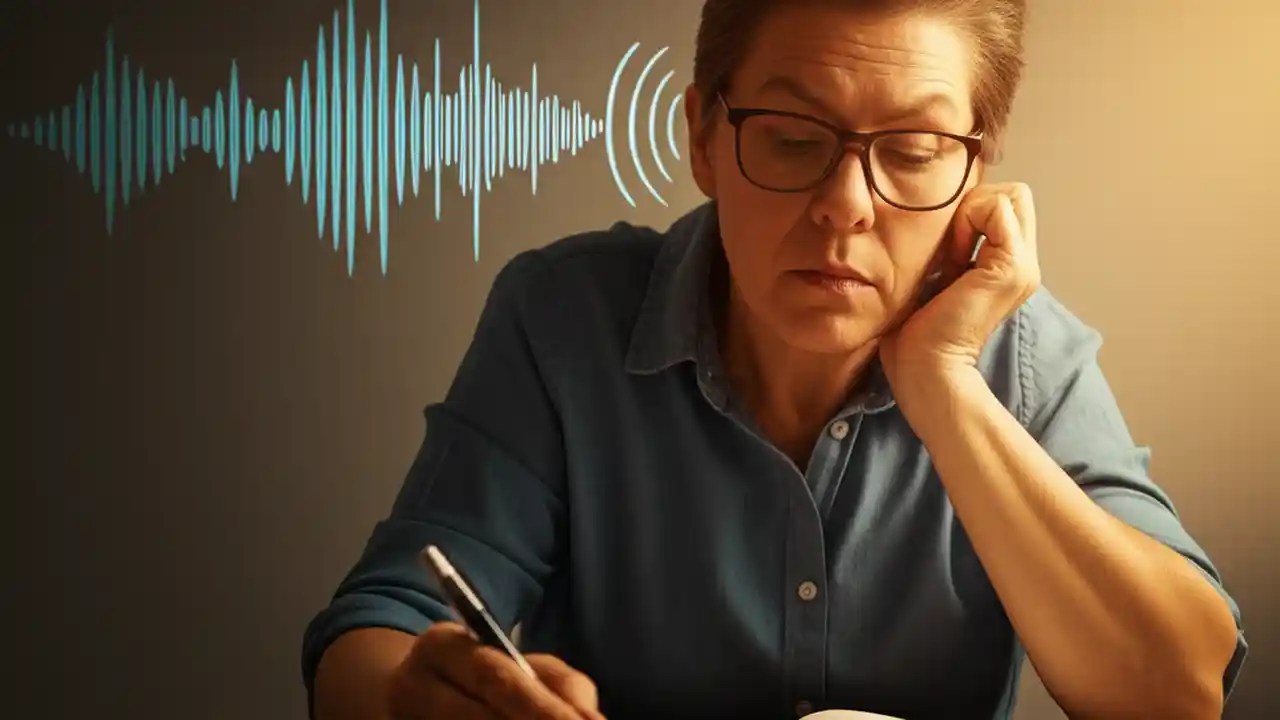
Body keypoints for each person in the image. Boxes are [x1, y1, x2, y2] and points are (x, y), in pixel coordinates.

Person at [302, 1, 1248, 718]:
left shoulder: (1025, 354)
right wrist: (412, 696)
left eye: (915, 150)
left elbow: (1178, 693)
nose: (848, 205)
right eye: (794, 140)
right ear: (703, 139)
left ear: (976, 171)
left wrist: (945, 387)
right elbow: (375, 630)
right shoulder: (563, 318)